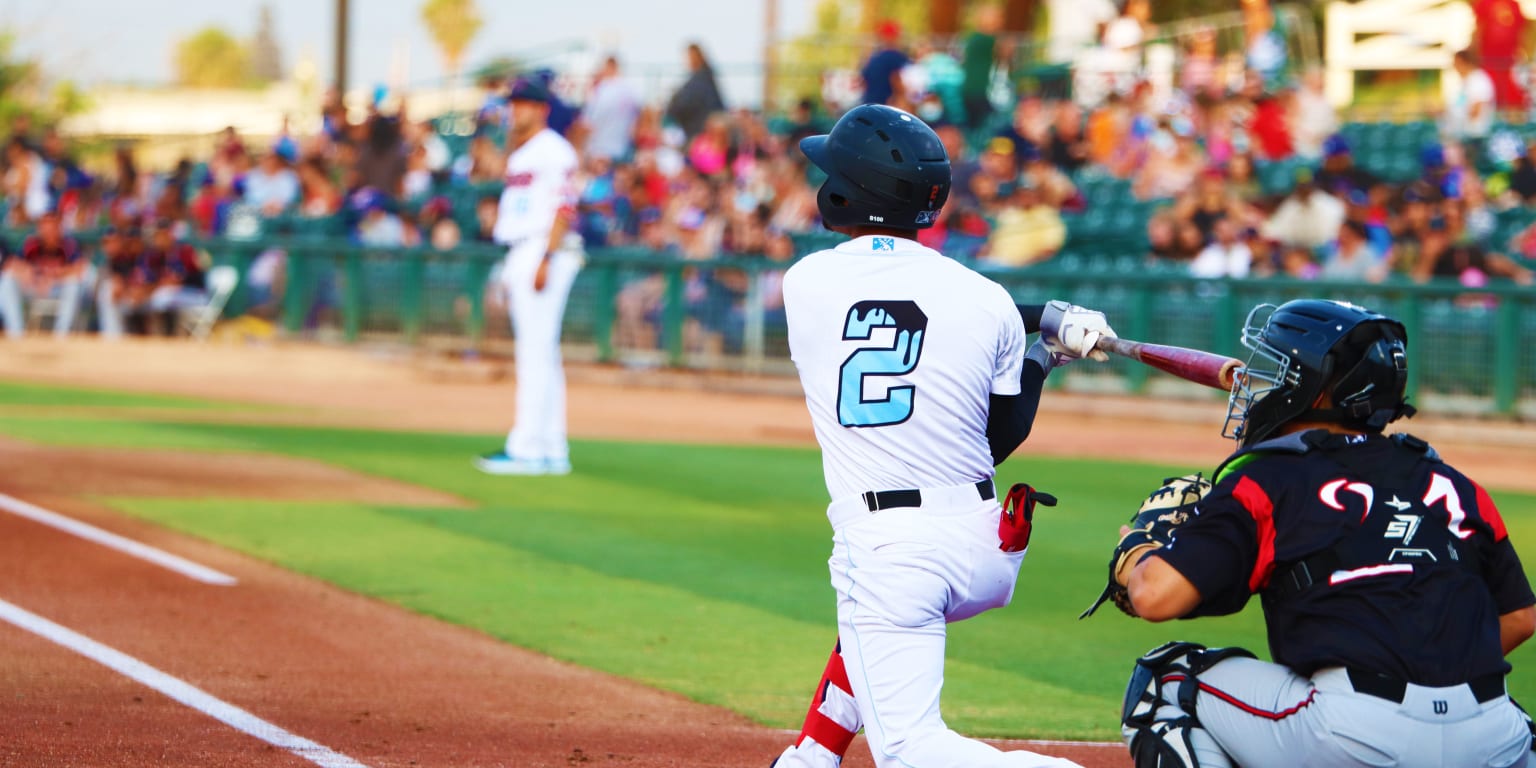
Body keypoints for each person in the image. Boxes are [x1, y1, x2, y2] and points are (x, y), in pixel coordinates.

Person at [770, 103, 1117, 768]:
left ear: (847, 192)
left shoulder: (805, 282)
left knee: (907, 747)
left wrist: (1043, 330)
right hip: (985, 548)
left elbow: (903, 308)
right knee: (871, 629)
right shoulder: (984, 297)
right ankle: (811, 757)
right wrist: (1049, 343)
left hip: (896, 553)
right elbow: (1000, 436)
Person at [1100, 299, 1536, 768]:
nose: (1264, 386)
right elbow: (1521, 617)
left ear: (1316, 388)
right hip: (1490, 734)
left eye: (1279, 371)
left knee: (1165, 680)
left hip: (1353, 733)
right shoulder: (1454, 482)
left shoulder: (1269, 477)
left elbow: (1156, 596)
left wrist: (1138, 546)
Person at [475, 76, 584, 477]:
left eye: (522, 103)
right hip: (526, 247)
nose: (514, 109)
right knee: (543, 355)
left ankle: (526, 449)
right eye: (513, 103)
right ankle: (552, 448)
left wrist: (547, 257)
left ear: (541, 109)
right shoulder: (527, 151)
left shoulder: (554, 150)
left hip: (543, 247)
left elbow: (565, 206)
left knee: (534, 355)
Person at [0, 210, 87, 338]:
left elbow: (81, 268)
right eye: (45, 225)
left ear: (59, 227)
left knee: (74, 284)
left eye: (53, 225)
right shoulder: (32, 243)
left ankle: (61, 336)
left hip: (58, 289)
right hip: (35, 287)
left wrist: (55, 277)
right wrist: (27, 272)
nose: (49, 230)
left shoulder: (69, 244)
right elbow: (12, 264)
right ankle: (16, 334)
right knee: (7, 280)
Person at [665, 42, 726, 141]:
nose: (688, 60)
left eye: (690, 56)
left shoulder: (702, 79)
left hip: (700, 132)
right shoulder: (701, 78)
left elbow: (683, 104)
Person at [859, 20, 910, 107]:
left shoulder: (872, 57)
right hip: (887, 106)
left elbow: (863, 82)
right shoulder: (895, 56)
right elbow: (897, 80)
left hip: (869, 104)